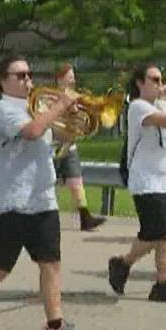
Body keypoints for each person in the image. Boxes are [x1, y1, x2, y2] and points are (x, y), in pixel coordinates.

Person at [0, 55, 92, 330]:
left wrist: (76, 115)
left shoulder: (38, 107)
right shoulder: (4, 110)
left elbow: (65, 133)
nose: (28, 80)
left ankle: (55, 326)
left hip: (43, 198)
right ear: (3, 81)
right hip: (14, 202)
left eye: (29, 74)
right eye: (20, 75)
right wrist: (59, 106)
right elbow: (33, 131)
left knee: (51, 263)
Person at [107, 64, 166, 304]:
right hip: (145, 180)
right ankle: (122, 263)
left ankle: (163, 283)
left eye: (161, 80)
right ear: (140, 83)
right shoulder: (138, 107)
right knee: (153, 233)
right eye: (154, 80)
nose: (160, 84)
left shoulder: (165, 105)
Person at [51, 64, 107, 231]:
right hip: (53, 146)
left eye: (73, 76)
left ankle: (85, 217)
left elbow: (82, 121)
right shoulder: (51, 97)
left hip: (70, 145)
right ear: (60, 79)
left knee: (76, 182)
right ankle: (48, 218)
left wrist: (80, 112)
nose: (73, 80)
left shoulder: (76, 97)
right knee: (48, 184)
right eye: (70, 77)